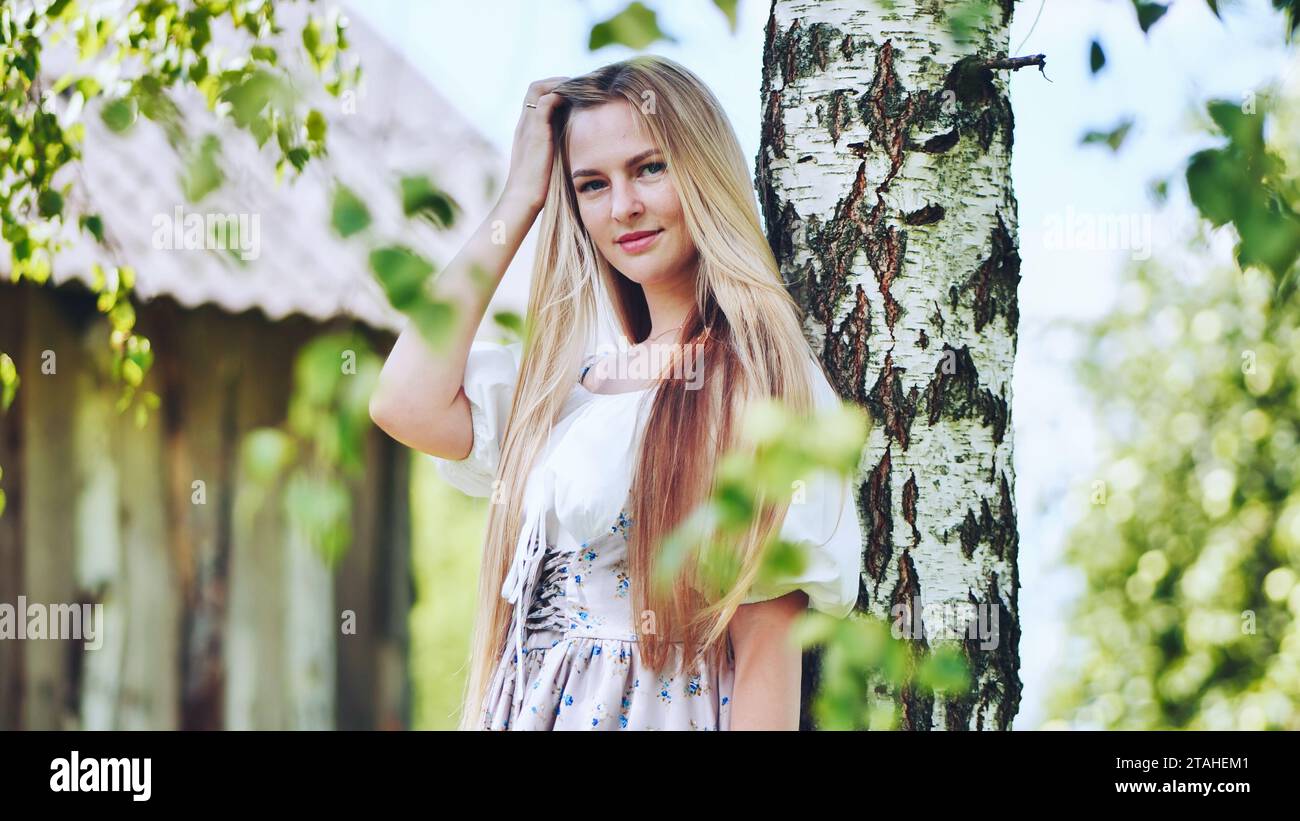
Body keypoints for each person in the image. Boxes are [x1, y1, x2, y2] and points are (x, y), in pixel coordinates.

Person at [369, 55, 864, 731]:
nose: (623, 206)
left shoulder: (753, 385)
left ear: (703, 170)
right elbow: (403, 401)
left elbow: (765, 653)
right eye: (592, 184)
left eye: (649, 168)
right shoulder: (565, 391)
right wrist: (519, 198)